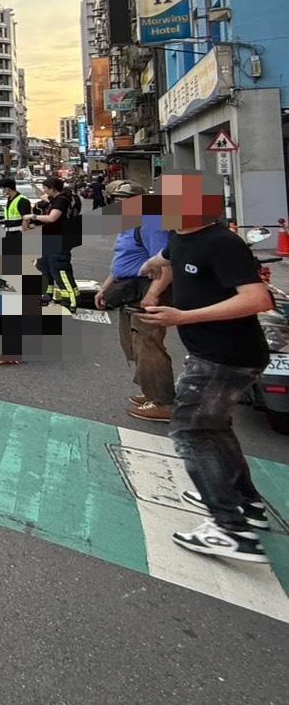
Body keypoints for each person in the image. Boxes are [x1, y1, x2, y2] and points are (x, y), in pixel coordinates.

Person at [140, 173, 275, 564]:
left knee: (192, 431)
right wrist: (151, 268)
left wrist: (183, 316)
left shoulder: (221, 242)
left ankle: (230, 529)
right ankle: (246, 503)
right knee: (215, 428)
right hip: (213, 354)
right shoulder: (182, 237)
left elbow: (257, 299)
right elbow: (167, 259)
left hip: (225, 356)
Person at [96, 184, 174, 421]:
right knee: (132, 343)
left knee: (148, 344)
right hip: (129, 290)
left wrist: (153, 294)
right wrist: (106, 286)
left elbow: (166, 264)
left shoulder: (151, 222)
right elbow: (122, 258)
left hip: (145, 292)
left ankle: (163, 402)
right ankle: (152, 392)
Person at [25, 175, 81, 309]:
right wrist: (34, 186)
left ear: (53, 189)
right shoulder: (59, 198)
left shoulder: (61, 200)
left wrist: (32, 216)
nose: (44, 191)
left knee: (60, 271)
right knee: (44, 267)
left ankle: (70, 301)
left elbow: (52, 218)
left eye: (45, 188)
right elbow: (43, 198)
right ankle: (47, 295)